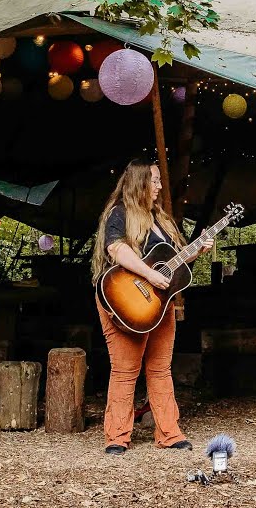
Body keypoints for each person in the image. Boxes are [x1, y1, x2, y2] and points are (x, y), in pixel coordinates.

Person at [91, 159, 212, 455]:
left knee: (160, 368)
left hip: (161, 301)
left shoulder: (162, 219)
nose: (159, 186)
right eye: (154, 180)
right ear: (139, 182)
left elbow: (173, 264)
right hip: (125, 299)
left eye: (158, 181)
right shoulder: (118, 213)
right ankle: (117, 436)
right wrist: (148, 274)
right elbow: (115, 249)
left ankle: (169, 433)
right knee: (124, 369)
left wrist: (197, 249)